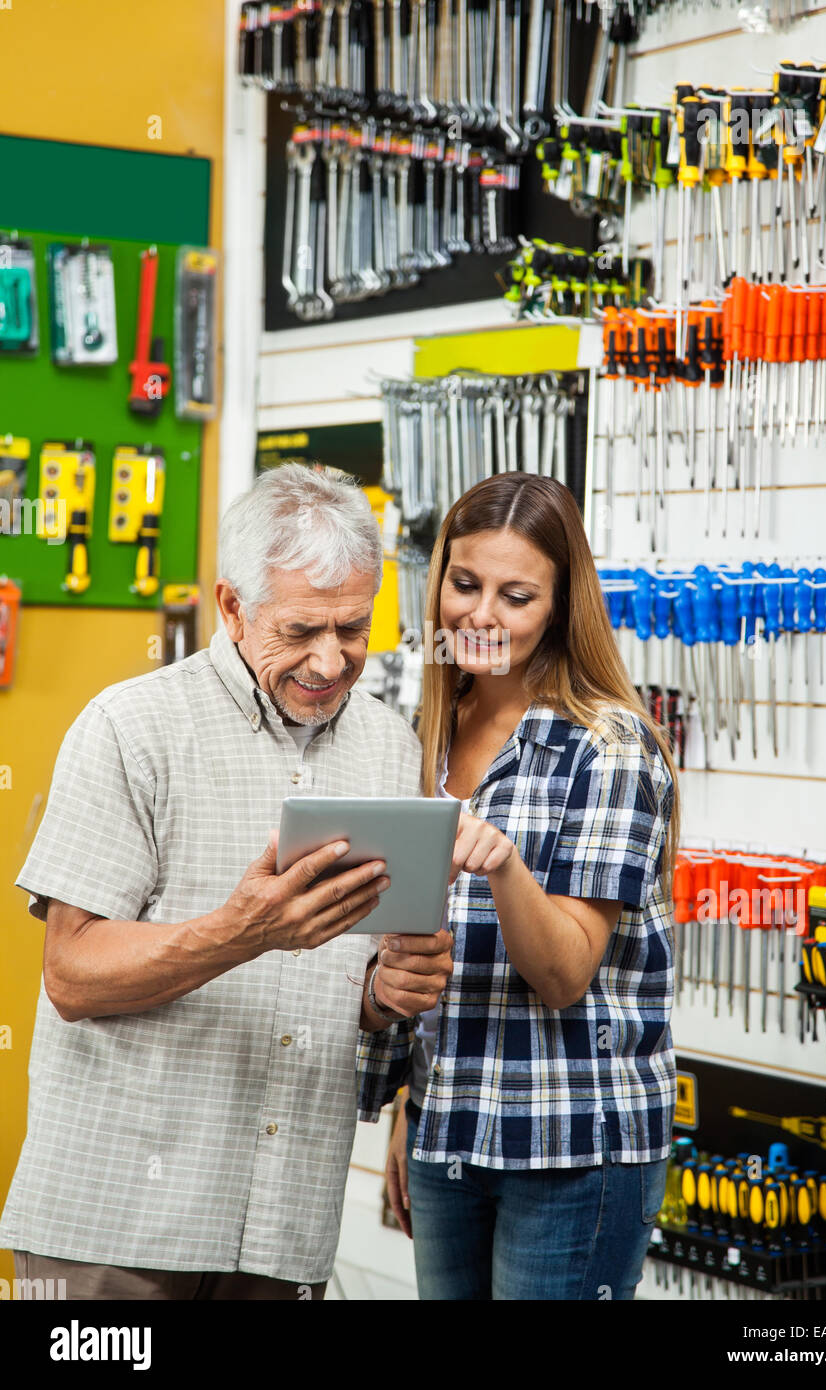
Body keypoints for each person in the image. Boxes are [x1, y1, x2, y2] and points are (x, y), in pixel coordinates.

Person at [0, 463, 452, 1301]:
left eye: (352, 628)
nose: (330, 659)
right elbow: (71, 974)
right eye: (302, 629)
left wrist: (387, 993)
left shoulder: (391, 750)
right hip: (117, 1228)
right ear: (233, 606)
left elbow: (338, 989)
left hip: (282, 1230)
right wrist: (241, 934)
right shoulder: (131, 728)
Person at [359, 471, 680, 1301]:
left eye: (517, 596)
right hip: (450, 1129)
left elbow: (566, 972)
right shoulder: (421, 732)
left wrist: (505, 865)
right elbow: (418, 952)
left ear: (559, 607)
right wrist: (409, 1109)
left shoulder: (609, 744)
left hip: (571, 1143)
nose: (481, 616)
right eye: (464, 585)